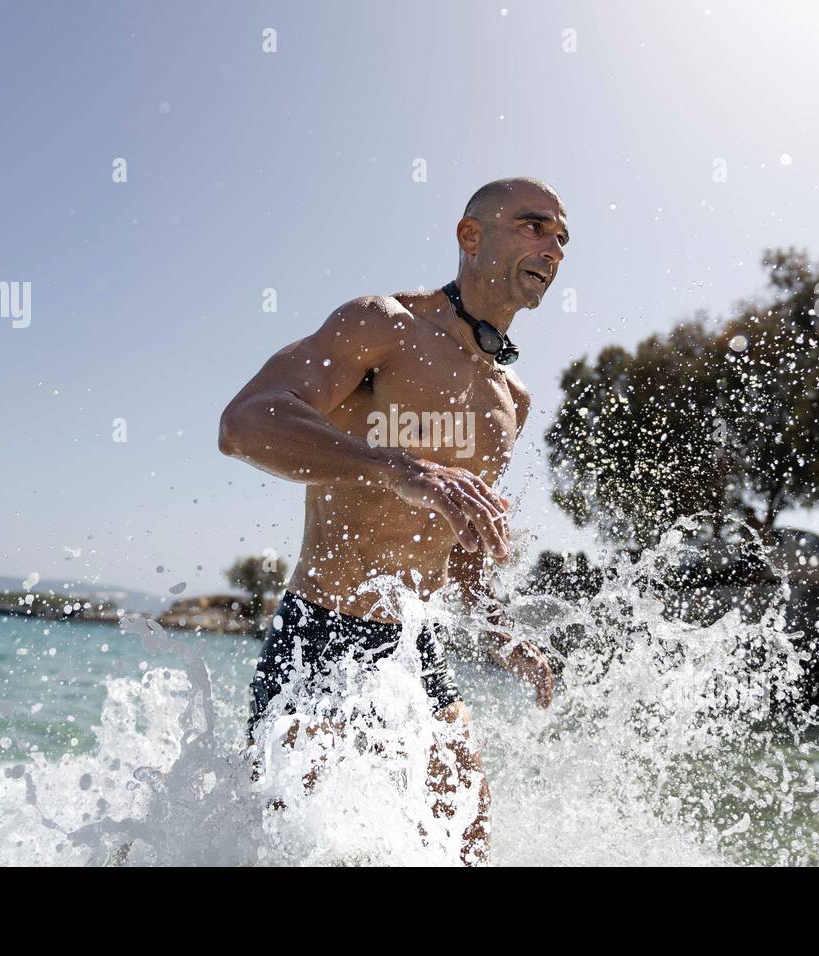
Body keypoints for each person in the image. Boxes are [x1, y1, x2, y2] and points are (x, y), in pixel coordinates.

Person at [218, 177, 567, 864]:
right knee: (293, 852)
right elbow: (245, 421)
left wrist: (498, 631)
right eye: (532, 226)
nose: (551, 247)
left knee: (467, 848)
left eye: (561, 238)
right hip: (320, 635)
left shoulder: (512, 399)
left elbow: (462, 532)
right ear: (470, 236)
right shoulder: (382, 324)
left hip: (414, 649)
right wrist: (398, 467)